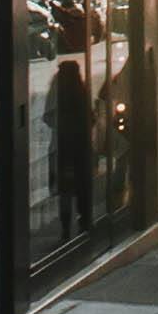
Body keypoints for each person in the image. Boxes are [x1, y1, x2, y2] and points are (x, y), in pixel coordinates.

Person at [42, 52, 95, 243]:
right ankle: (84, 221)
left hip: (62, 147)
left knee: (64, 189)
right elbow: (92, 118)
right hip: (81, 147)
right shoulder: (81, 93)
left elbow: (47, 117)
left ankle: (65, 227)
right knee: (82, 186)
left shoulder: (57, 95)